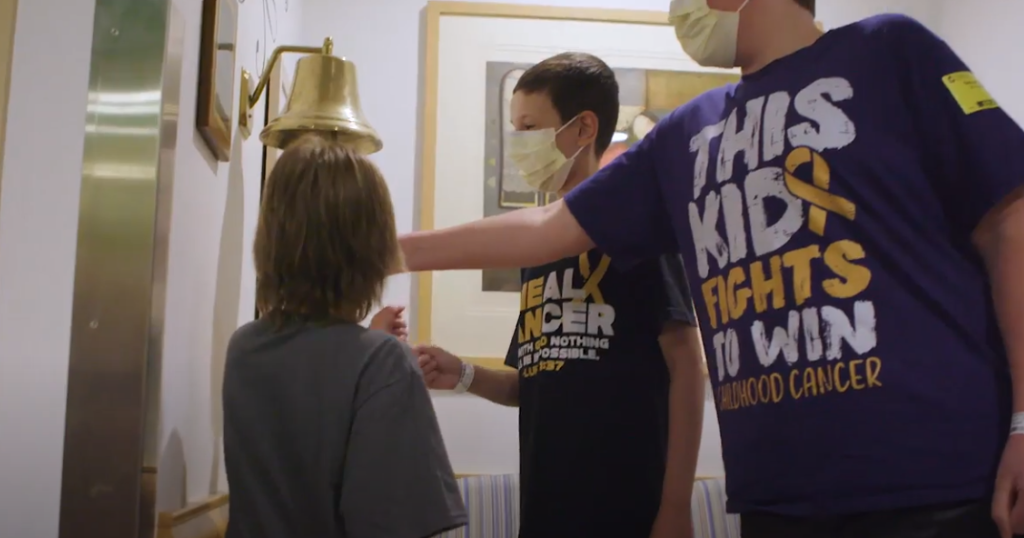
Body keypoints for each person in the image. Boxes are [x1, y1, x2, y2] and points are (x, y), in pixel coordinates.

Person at [398, 1, 1024, 537]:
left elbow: (1009, 222)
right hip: (775, 500)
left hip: (936, 489)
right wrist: (385, 249)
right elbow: (545, 230)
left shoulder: (889, 48)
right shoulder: (685, 132)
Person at [415, 52, 707, 538]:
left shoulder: (637, 232)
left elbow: (686, 365)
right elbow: (533, 384)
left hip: (629, 509)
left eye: (529, 127)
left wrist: (676, 505)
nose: (518, 143)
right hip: (547, 511)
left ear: (583, 128)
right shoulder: (537, 248)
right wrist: (462, 373)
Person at [222, 137, 466, 538]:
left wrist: (369, 347)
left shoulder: (244, 346)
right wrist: (377, 354)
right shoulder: (382, 362)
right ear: (372, 248)